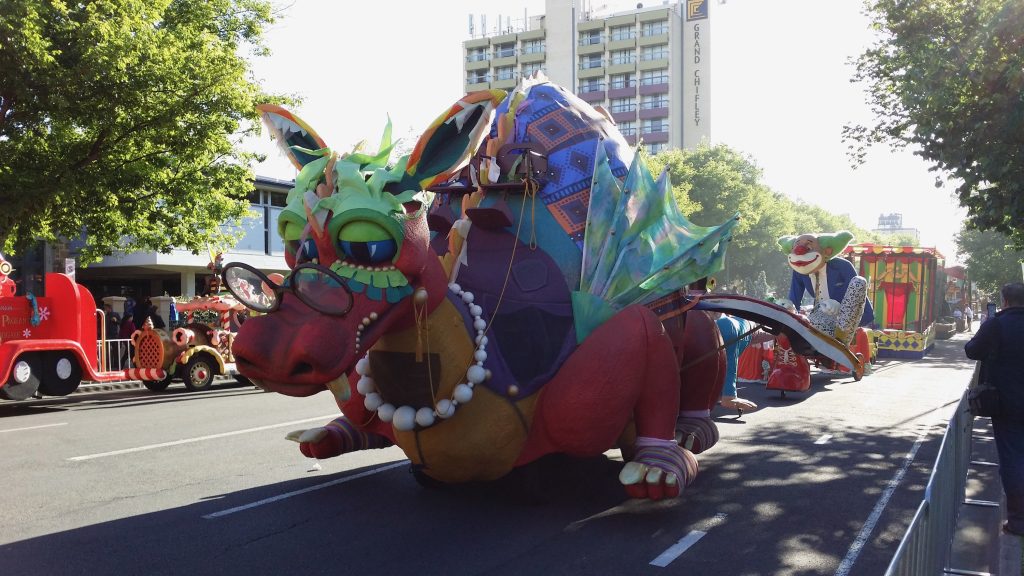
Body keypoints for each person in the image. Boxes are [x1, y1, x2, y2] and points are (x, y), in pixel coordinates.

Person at [965, 282, 1024, 536]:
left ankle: (1018, 521)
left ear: (1005, 301)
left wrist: (984, 329)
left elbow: (972, 350)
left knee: (1012, 459)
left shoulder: (997, 323)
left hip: (1008, 402)